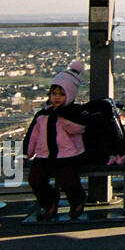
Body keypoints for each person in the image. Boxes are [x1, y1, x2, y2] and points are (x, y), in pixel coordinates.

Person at [24, 61, 89, 221]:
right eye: (54, 93)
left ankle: (77, 201)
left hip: (68, 155)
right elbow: (32, 135)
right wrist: (26, 153)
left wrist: (63, 116)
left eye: (61, 94)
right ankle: (49, 201)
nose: (56, 97)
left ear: (70, 95)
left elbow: (78, 129)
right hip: (44, 155)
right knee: (35, 179)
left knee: (68, 179)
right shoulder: (42, 115)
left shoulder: (73, 113)